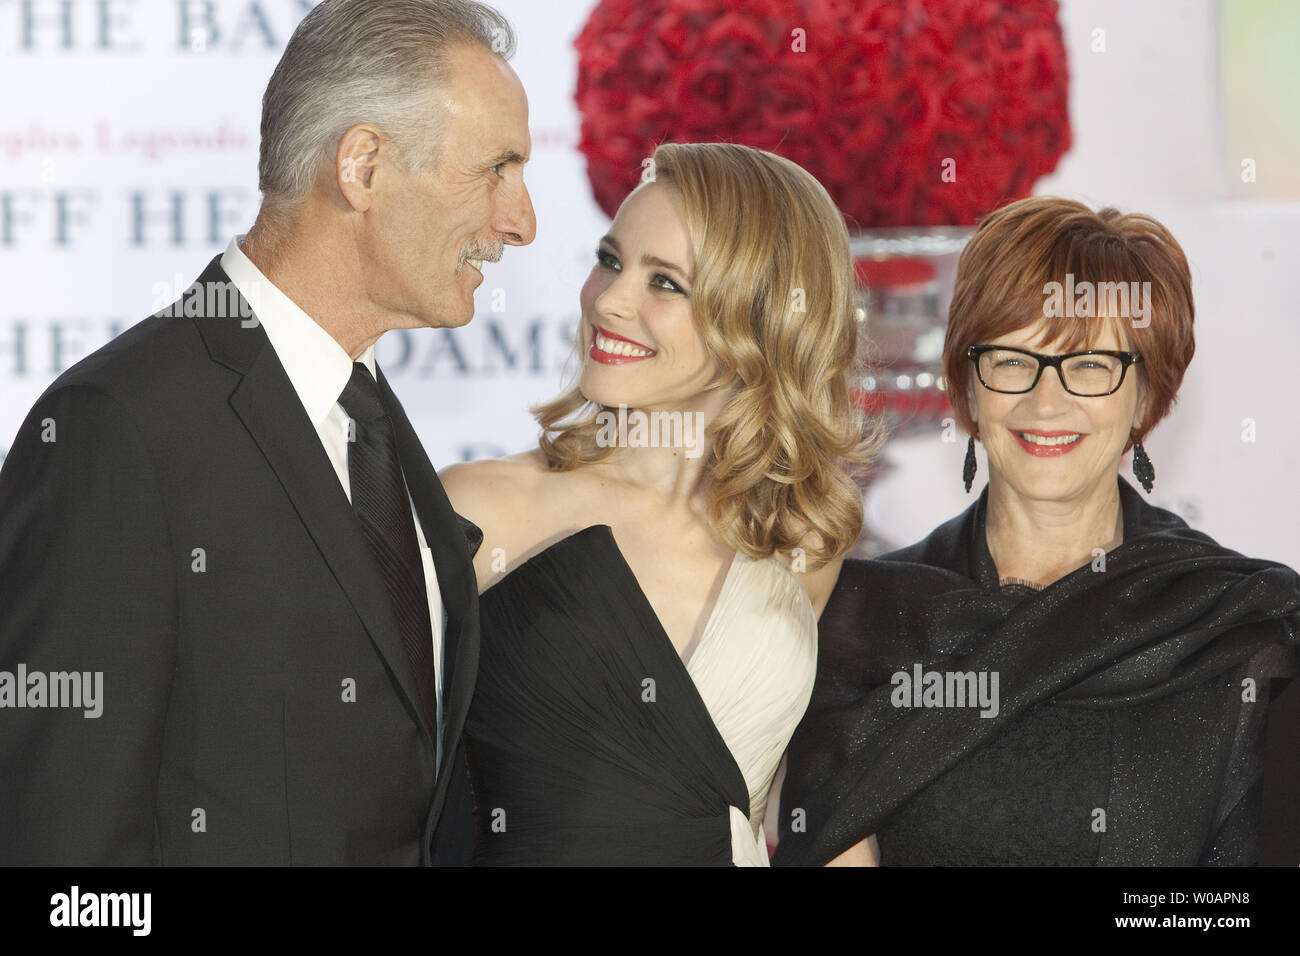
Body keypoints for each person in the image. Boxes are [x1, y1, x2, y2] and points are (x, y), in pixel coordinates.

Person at [0, 0, 535, 865]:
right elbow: (60, 851)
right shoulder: (118, 431)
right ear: (361, 166)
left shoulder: (379, 431)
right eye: (496, 170)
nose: (522, 221)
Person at [773, 197, 1299, 867]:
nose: (1046, 402)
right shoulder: (854, 621)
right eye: (1014, 360)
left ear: (1144, 395)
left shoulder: (1240, 625)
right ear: (967, 384)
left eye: (1089, 365)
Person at [440, 142, 879, 865]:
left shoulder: (797, 545)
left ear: (761, 319)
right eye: (610, 260)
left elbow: (818, 812)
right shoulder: (486, 506)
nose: (609, 300)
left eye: (665, 283)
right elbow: (372, 785)